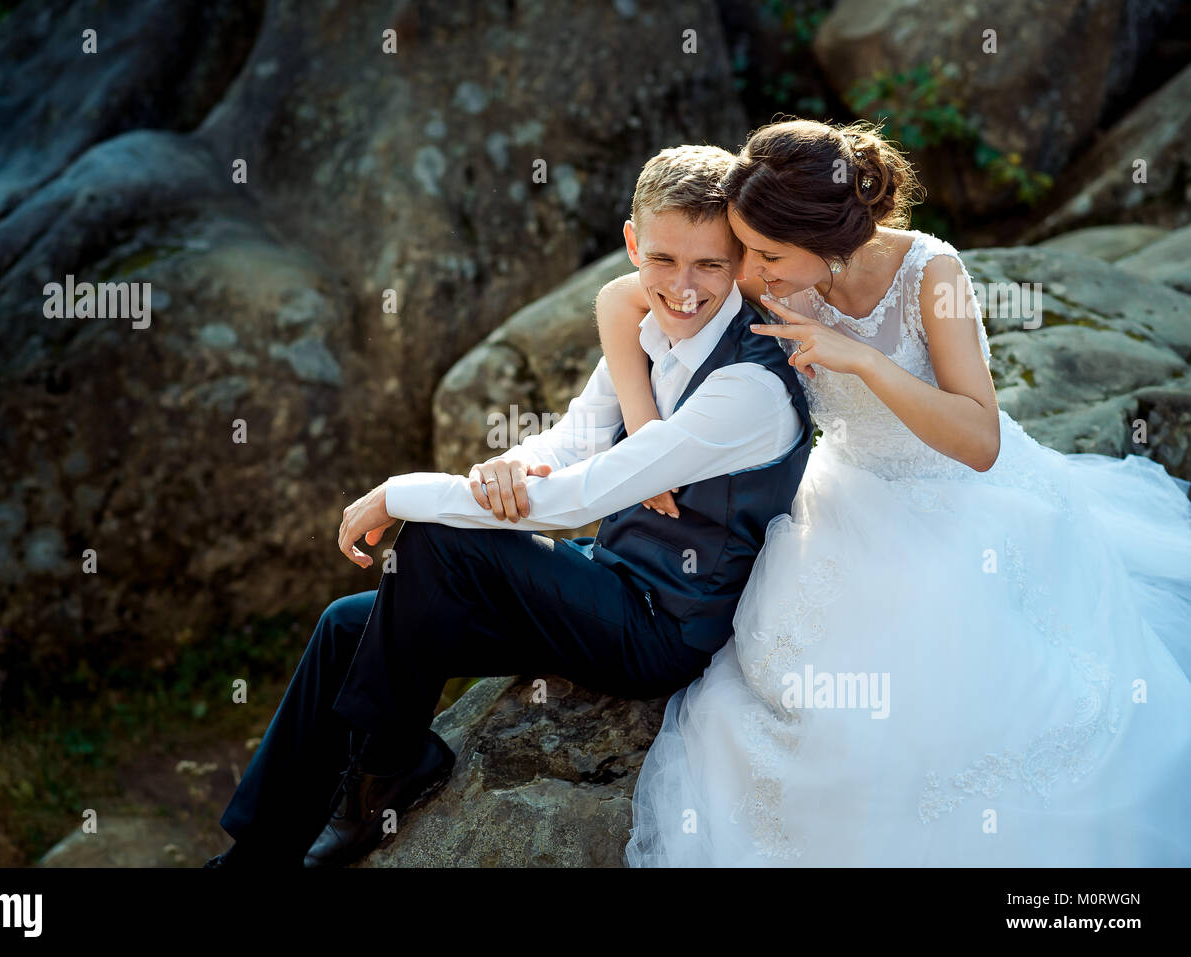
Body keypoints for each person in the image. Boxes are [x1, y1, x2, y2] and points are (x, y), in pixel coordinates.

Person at [592, 119, 1191, 866]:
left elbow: (980, 439)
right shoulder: (766, 268)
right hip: (848, 500)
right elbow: (619, 300)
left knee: (971, 673)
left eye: (770, 255)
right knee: (811, 702)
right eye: (749, 251)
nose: (755, 272)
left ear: (826, 238)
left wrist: (864, 362)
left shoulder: (931, 274)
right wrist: (646, 436)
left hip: (966, 497)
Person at [207, 145, 815, 867]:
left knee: (440, 537)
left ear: (740, 262)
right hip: (606, 578)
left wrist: (399, 493)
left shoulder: (749, 386)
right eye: (662, 260)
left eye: (709, 265)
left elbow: (582, 493)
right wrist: (513, 466)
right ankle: (253, 856)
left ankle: (391, 768)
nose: (683, 287)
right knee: (347, 627)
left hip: (661, 629)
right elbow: (574, 440)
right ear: (632, 245)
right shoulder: (650, 332)